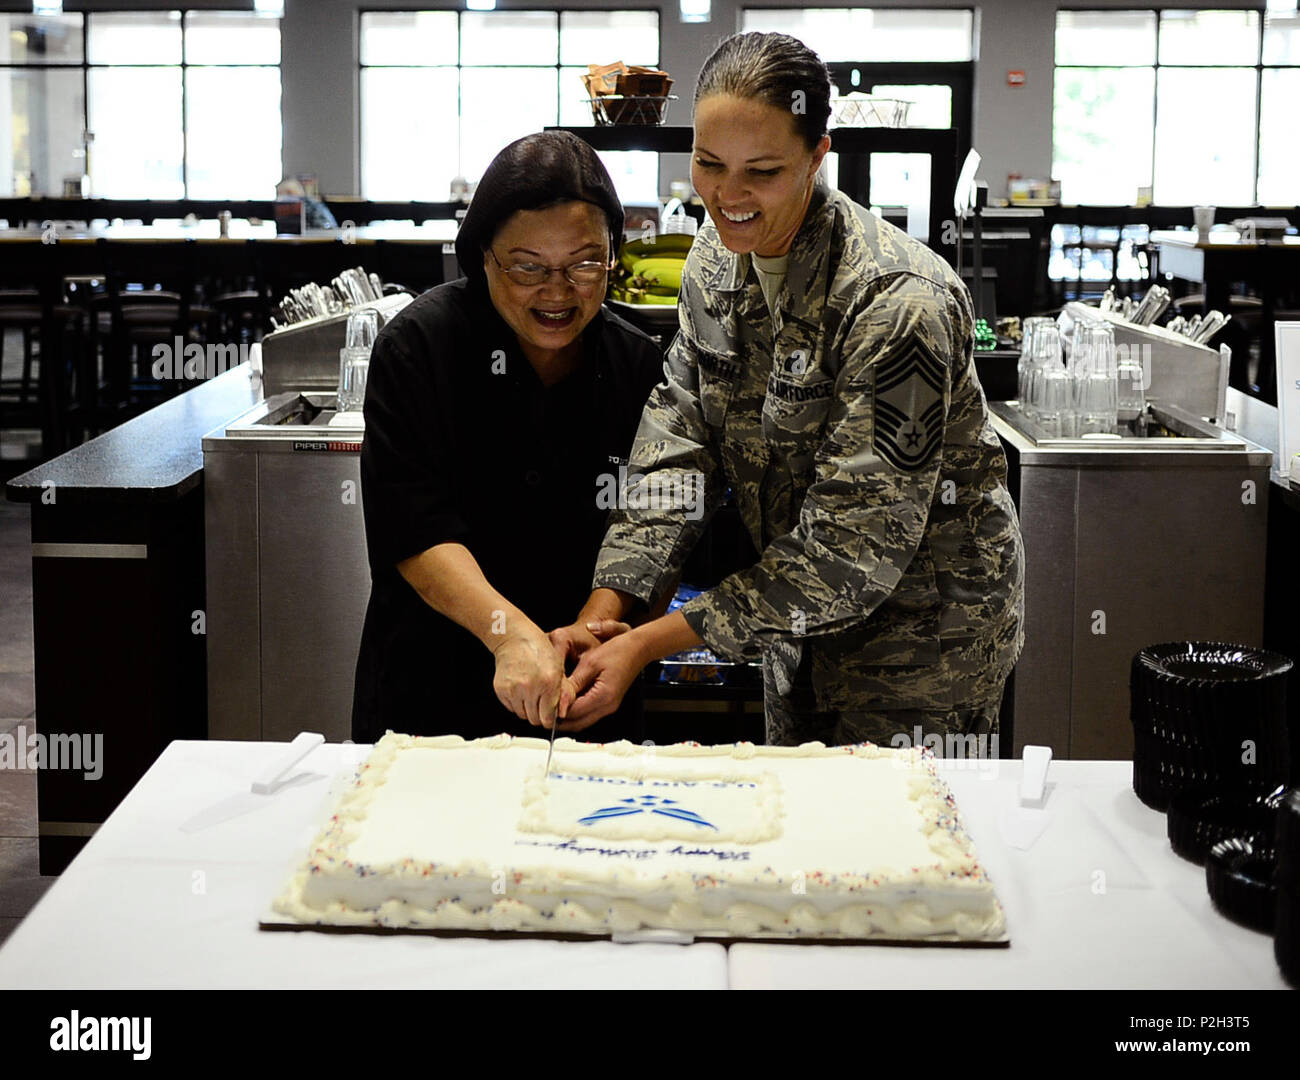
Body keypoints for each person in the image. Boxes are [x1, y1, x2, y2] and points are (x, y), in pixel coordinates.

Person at [551, 32, 1025, 750]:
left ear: (817, 158)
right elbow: (676, 443)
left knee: (904, 845)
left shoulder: (899, 305)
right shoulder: (714, 258)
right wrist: (608, 602)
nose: (728, 196)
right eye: (708, 165)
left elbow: (855, 548)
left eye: (762, 171)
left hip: (924, 647)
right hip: (791, 620)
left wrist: (649, 643)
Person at [351, 131, 663, 744]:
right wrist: (510, 634)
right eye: (527, 267)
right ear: (482, 257)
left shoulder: (638, 365)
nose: (557, 290)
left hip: (588, 692)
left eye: (584, 263)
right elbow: (415, 528)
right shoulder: (420, 348)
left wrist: (592, 634)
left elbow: (654, 523)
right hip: (436, 691)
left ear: (613, 255)